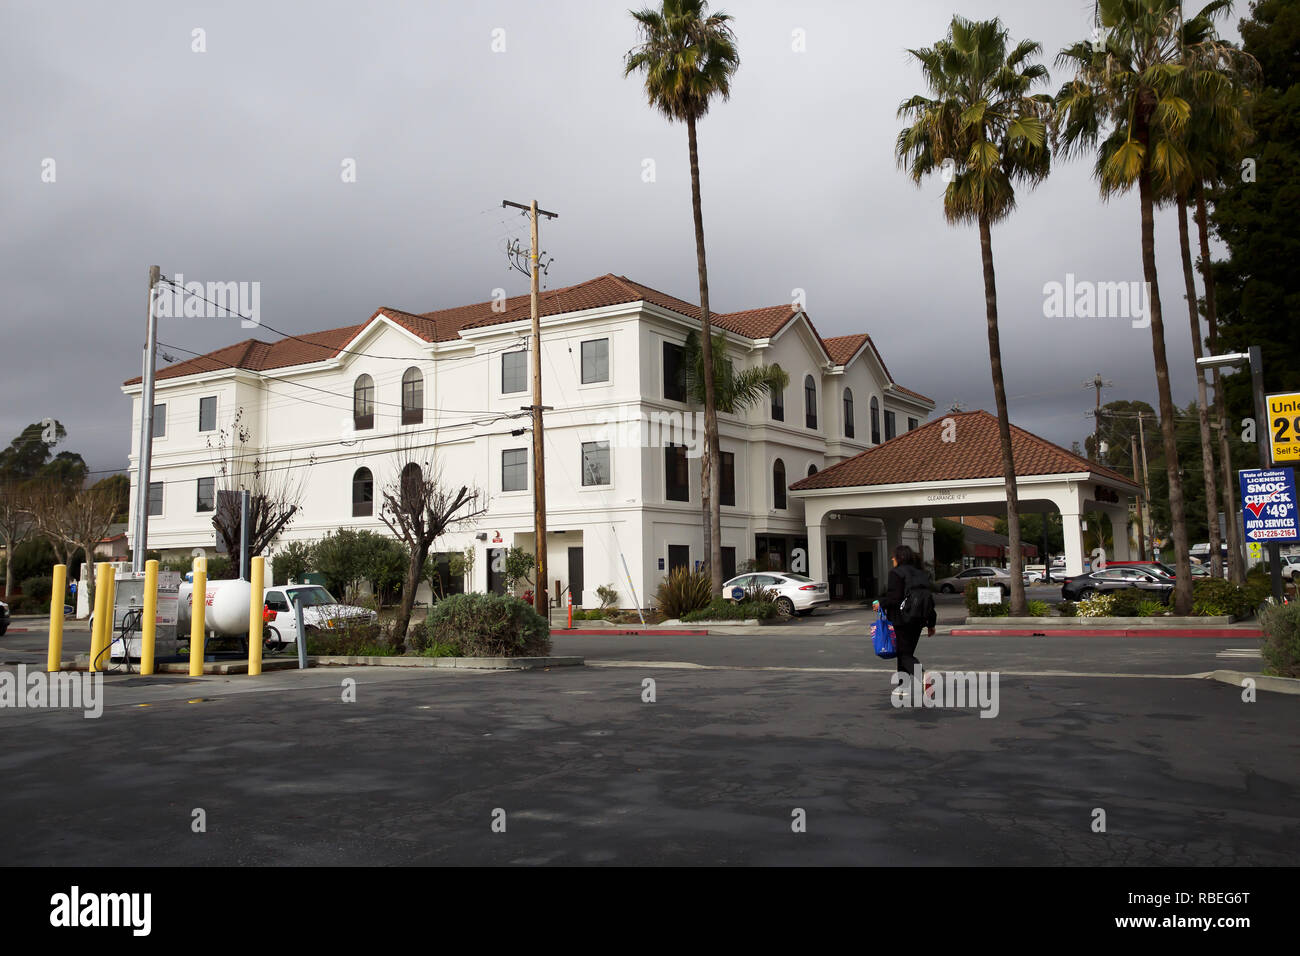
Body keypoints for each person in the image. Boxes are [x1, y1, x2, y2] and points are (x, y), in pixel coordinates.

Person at [875, 544, 936, 679]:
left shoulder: (896, 573)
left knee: (904, 655)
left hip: (901, 620)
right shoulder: (921, 574)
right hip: (919, 620)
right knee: (905, 653)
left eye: (893, 556)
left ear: (899, 557)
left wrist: (880, 603)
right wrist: (931, 624)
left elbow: (894, 598)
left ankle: (923, 676)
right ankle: (903, 687)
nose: (892, 559)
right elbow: (929, 600)